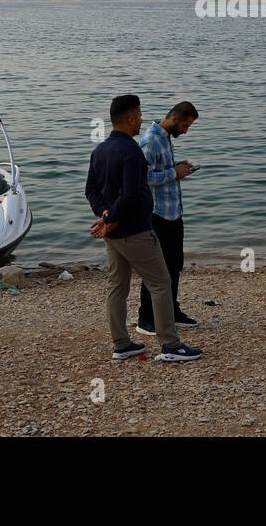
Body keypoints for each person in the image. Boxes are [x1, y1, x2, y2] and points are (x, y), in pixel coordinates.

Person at [85, 94, 203, 362]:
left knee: (117, 286)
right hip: (136, 230)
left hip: (113, 234)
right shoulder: (132, 151)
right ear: (129, 119)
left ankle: (122, 344)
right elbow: (131, 195)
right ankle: (171, 346)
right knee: (161, 283)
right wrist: (112, 217)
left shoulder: (99, 150)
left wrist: (105, 215)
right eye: (138, 116)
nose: (140, 121)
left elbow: (91, 190)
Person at [136, 101, 199, 334]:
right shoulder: (151, 139)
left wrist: (177, 166)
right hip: (157, 215)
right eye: (185, 125)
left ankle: (171, 310)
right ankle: (145, 318)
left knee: (173, 265)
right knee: (156, 268)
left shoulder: (164, 138)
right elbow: (143, 177)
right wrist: (175, 173)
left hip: (173, 213)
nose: (186, 130)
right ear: (174, 119)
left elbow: (159, 169)